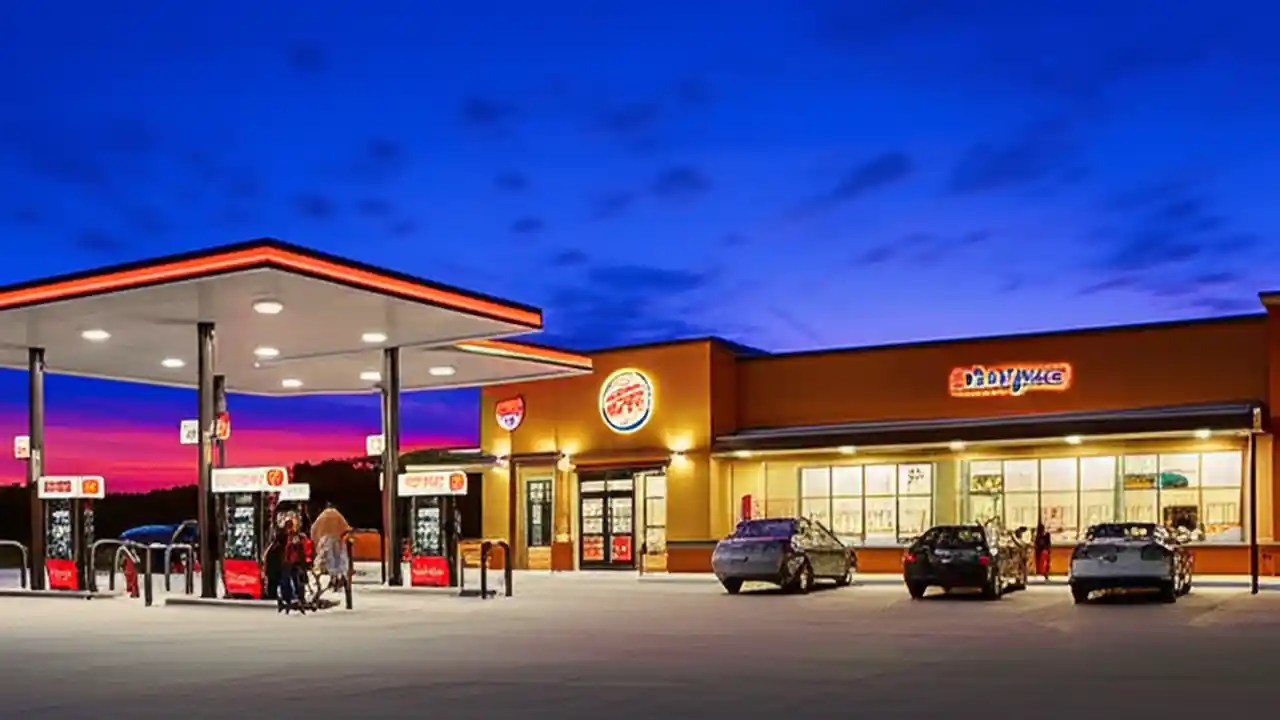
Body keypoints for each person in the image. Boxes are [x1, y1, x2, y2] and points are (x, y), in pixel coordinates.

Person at [311, 503, 352, 589]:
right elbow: (346, 528)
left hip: (326, 541)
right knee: (339, 560)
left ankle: (333, 578)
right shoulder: (337, 514)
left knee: (330, 561)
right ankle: (339, 577)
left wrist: (317, 540)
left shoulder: (322, 515)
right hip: (337, 540)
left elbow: (314, 528)